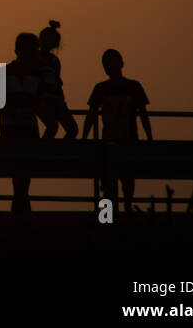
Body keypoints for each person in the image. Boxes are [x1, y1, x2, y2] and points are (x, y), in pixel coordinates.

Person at [83, 48, 152, 214]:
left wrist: (150, 138)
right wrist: (84, 138)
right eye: (106, 64)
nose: (109, 67)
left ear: (121, 64)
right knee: (107, 182)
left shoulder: (133, 87)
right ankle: (106, 216)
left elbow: (143, 114)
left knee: (127, 180)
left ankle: (125, 210)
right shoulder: (101, 88)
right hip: (108, 141)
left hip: (128, 139)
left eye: (111, 63)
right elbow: (91, 115)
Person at [0, 32, 42, 213]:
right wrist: (15, 110)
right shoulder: (3, 73)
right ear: (17, 51)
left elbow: (41, 100)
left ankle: (20, 202)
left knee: (25, 169)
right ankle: (21, 202)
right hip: (11, 127)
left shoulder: (38, 76)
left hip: (28, 127)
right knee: (17, 168)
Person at [36, 20, 77, 139]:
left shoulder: (54, 61)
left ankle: (61, 151)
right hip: (40, 100)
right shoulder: (34, 58)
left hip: (56, 100)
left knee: (72, 130)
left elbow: (57, 82)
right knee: (53, 127)